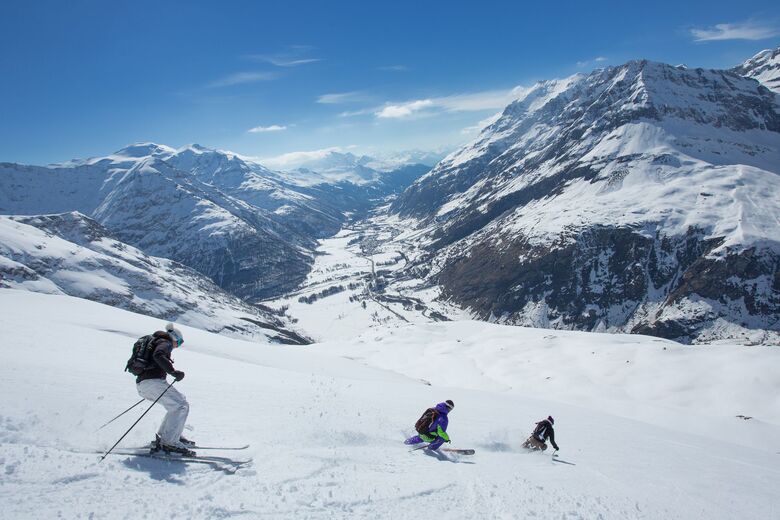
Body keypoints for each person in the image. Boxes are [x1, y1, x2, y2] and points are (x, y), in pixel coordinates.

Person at [135, 323, 193, 455]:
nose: (178, 345)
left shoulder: (154, 341)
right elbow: (158, 355)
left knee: (177, 404)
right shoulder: (165, 343)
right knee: (181, 406)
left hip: (143, 384)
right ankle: (170, 442)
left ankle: (166, 436)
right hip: (153, 382)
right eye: (179, 342)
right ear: (174, 338)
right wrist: (173, 372)